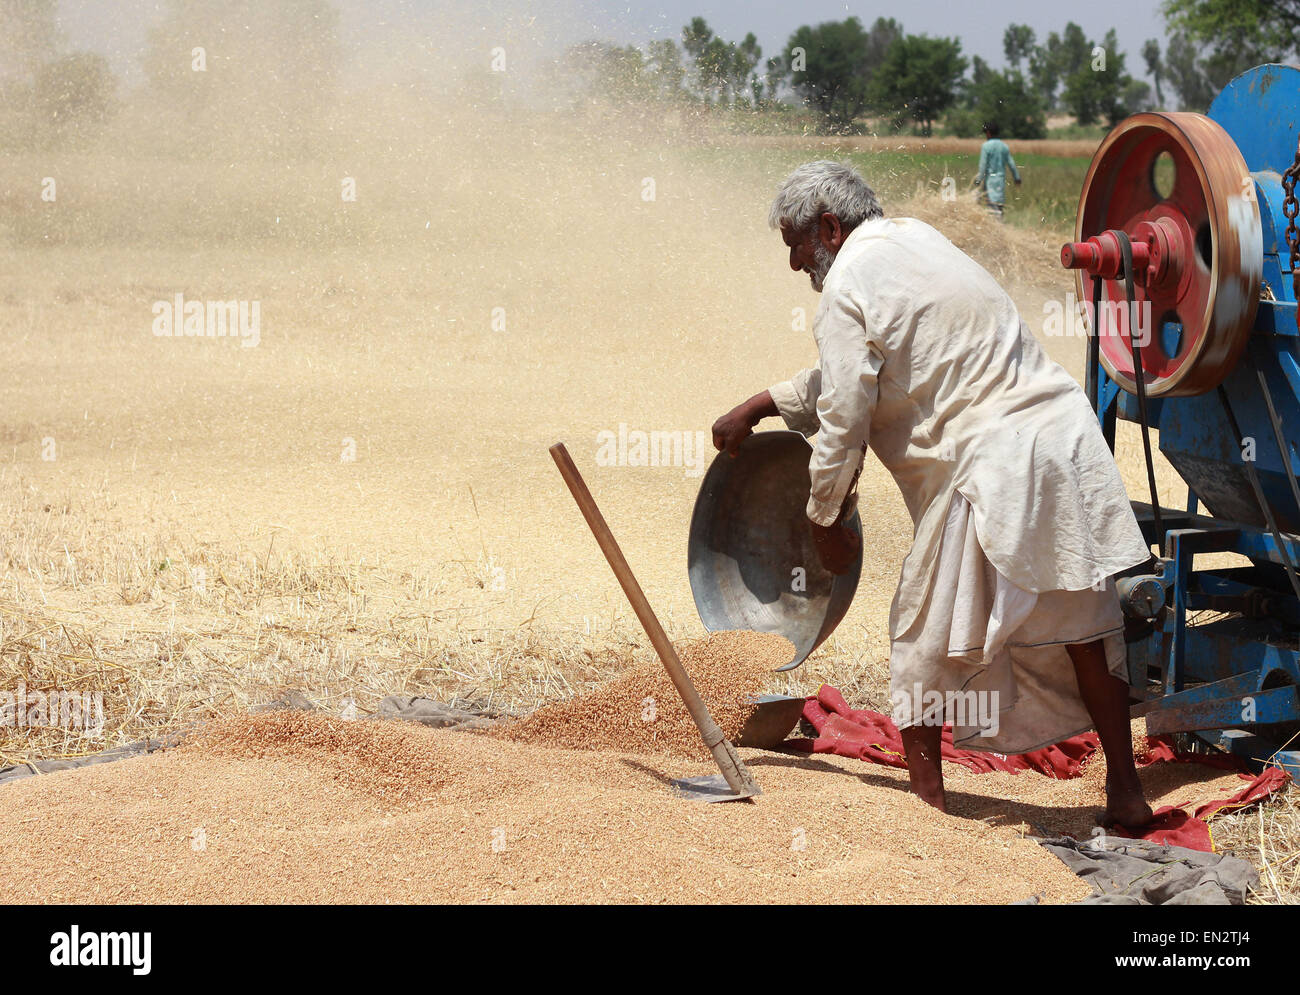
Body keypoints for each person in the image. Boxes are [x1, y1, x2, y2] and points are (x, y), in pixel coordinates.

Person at [711, 161, 1155, 828]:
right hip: (1058, 436)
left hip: (986, 462)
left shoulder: (844, 288)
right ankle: (1127, 792)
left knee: (918, 636)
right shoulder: (918, 240)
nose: (796, 261)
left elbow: (844, 412)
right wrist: (764, 403)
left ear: (829, 227)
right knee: (1086, 631)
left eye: (796, 243)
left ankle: (929, 815)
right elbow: (870, 365)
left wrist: (825, 516)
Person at [974, 122, 1021, 221]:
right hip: (1000, 180)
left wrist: (978, 180)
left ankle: (996, 226)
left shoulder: (986, 146)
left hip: (990, 180)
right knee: (999, 204)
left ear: (988, 133)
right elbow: (1011, 164)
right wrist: (1017, 177)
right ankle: (1000, 224)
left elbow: (983, 166)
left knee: (991, 206)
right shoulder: (1004, 146)